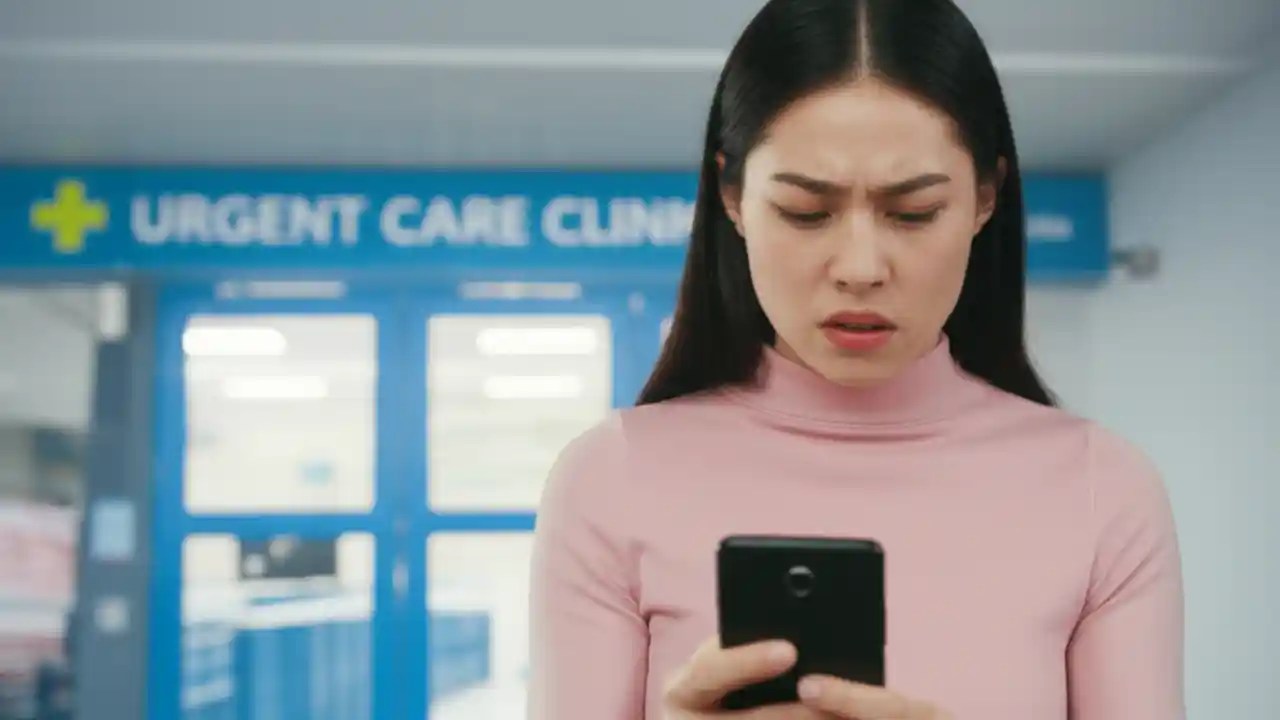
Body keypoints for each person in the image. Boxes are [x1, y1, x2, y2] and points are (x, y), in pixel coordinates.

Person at [528, 0, 1185, 717]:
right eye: (807, 213)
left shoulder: (1102, 491)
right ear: (732, 196)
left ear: (985, 198)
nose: (862, 267)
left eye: (913, 212)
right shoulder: (609, 480)